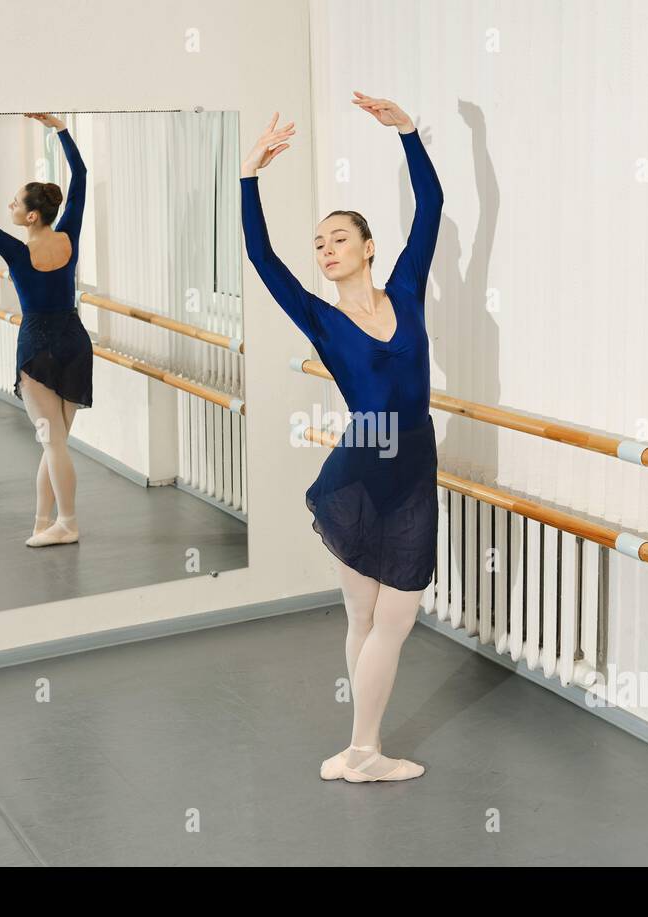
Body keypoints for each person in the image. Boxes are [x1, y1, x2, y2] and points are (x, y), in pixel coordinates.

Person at [240, 93, 443, 783]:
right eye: (318, 244)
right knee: (368, 620)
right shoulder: (322, 322)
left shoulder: (408, 289)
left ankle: (360, 748)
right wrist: (250, 176)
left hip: (414, 468)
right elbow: (263, 259)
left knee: (394, 619)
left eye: (338, 239)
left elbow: (432, 206)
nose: (325, 250)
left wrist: (408, 132)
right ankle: (364, 751)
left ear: (368, 246)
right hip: (358, 474)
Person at [0, 113, 92, 547]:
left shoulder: (17, 252)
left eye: (15, 204)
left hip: (38, 346)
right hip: (75, 340)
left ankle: (68, 523)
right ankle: (42, 521)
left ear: (32, 216)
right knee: (53, 443)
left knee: (53, 444)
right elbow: (82, 174)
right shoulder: (68, 234)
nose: (10, 208)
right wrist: (60, 129)